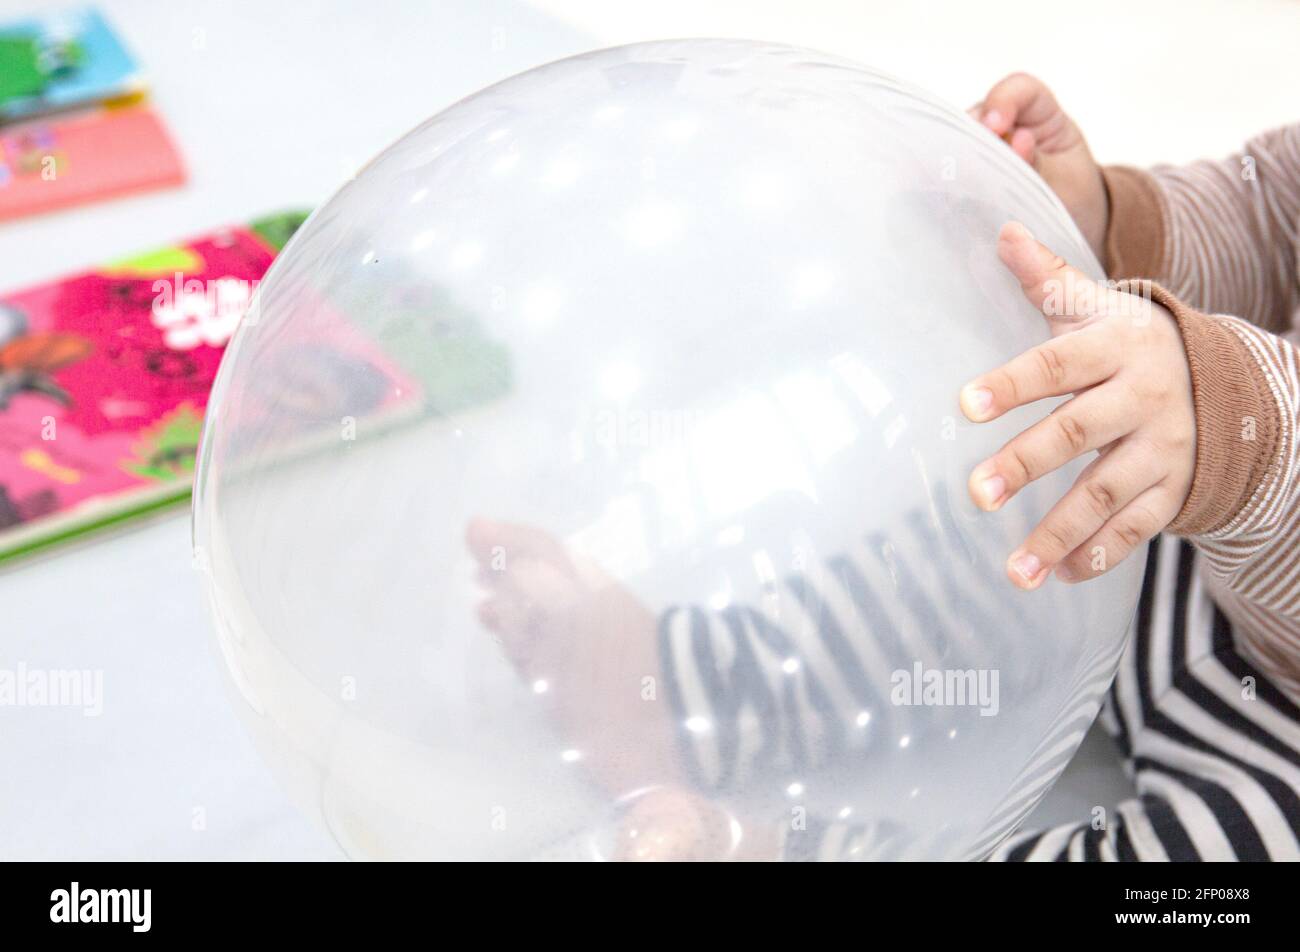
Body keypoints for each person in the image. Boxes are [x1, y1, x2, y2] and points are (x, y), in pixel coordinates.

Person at [468, 74, 1300, 860]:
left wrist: (1234, 425)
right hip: (1176, 539)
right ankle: (695, 688)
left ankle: (774, 848)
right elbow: (1268, 218)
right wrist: (1108, 224)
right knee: (1005, 528)